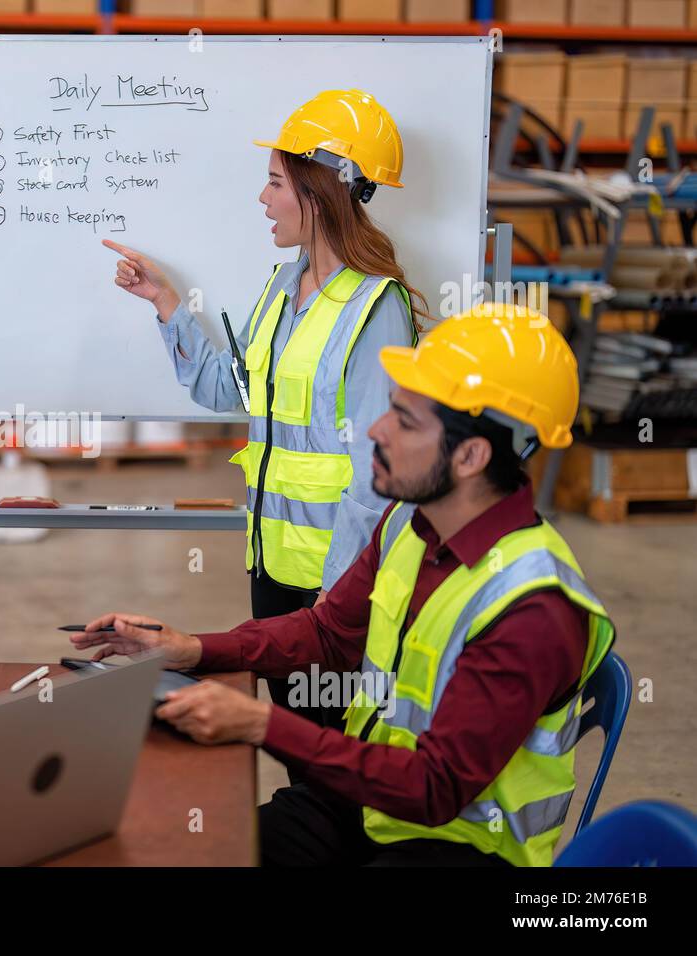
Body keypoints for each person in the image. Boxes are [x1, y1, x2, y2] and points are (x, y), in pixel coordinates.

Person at [69, 304, 615, 867]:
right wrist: (195, 648)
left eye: (404, 420)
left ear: (472, 455)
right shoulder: (409, 522)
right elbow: (329, 634)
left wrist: (265, 724)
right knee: (208, 853)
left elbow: (436, 788)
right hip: (369, 800)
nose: (375, 429)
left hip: (458, 845)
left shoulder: (532, 608)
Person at [102, 89, 426, 735]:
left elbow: (377, 465)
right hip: (272, 565)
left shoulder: (375, 306)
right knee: (293, 729)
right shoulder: (283, 287)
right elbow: (235, 392)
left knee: (328, 740)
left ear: (318, 189)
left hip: (335, 584)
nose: (263, 198)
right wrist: (166, 301)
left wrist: (342, 592)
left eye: (275, 181)